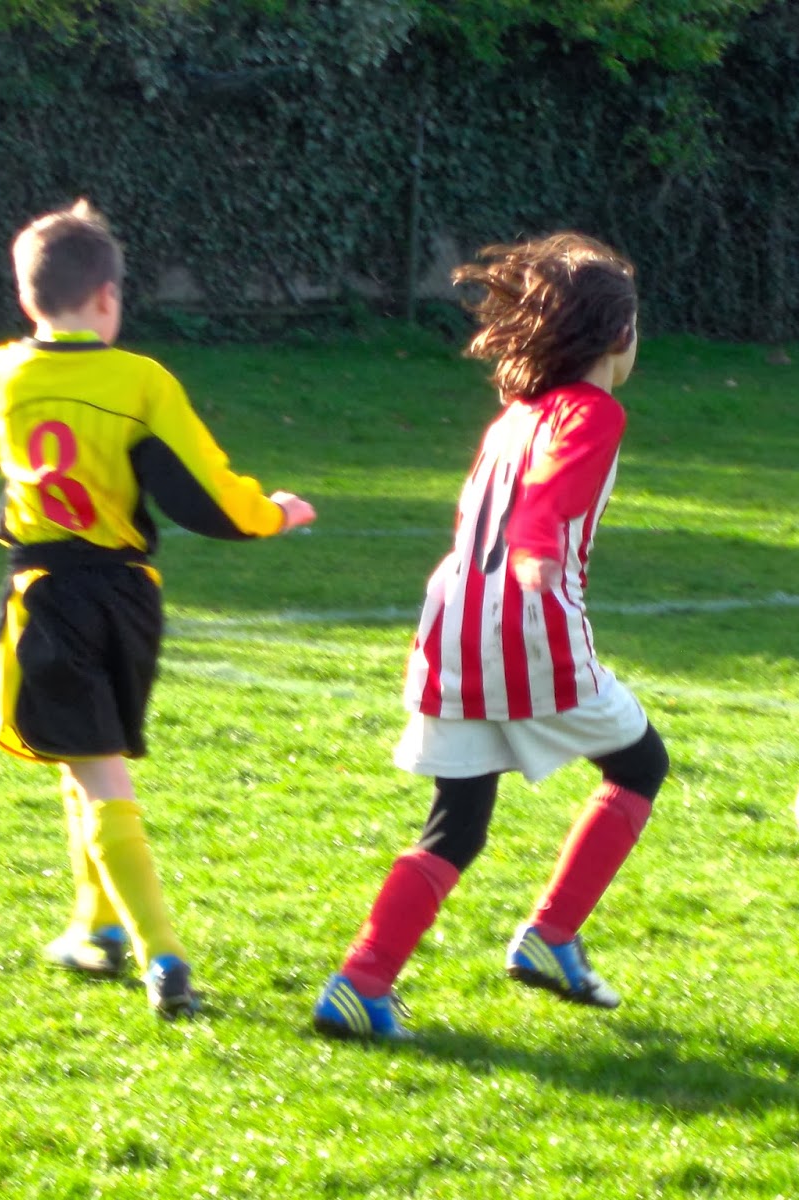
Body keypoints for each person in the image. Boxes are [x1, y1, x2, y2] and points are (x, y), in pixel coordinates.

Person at [313, 232, 669, 1040]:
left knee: (459, 821)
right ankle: (551, 936)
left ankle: (361, 980)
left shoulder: (515, 416)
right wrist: (540, 546)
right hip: (524, 617)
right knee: (642, 762)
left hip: (451, 620)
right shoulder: (593, 411)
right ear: (620, 336)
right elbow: (546, 498)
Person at [0, 199, 315, 1019]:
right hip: (128, 599)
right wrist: (273, 512)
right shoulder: (140, 382)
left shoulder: (1, 376)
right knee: (85, 761)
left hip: (50, 598)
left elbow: (29, 438)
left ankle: (166, 960)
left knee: (95, 773)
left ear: (29, 300)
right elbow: (205, 492)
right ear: (107, 298)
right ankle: (97, 928)